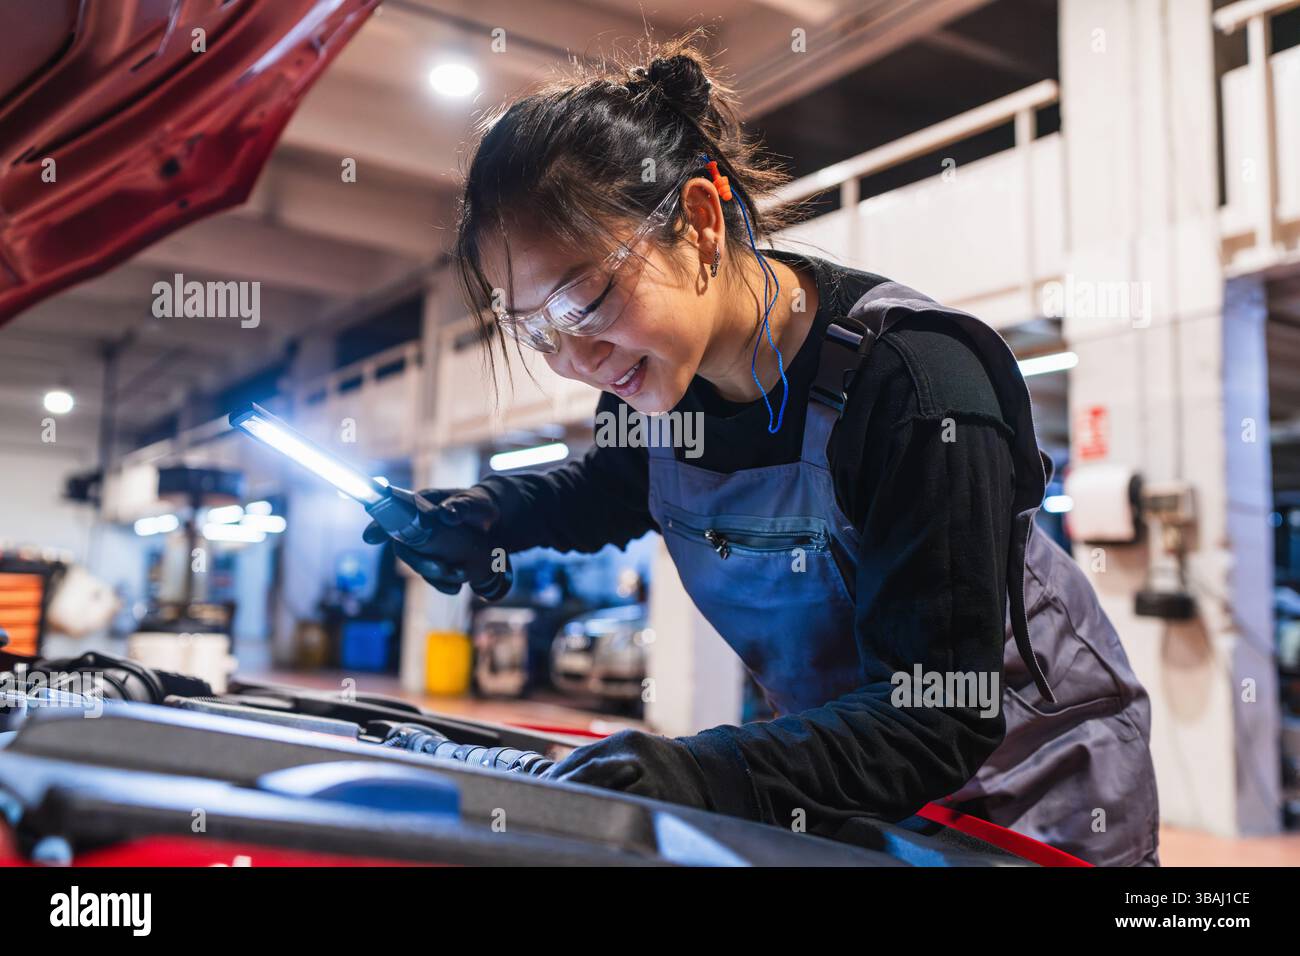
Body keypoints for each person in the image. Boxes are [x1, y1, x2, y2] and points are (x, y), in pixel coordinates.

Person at [364, 34, 1159, 866]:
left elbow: (939, 712)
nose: (573, 359)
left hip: (1030, 800)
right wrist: (484, 515)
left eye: (583, 298)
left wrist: (703, 772)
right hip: (851, 782)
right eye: (535, 330)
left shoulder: (916, 387)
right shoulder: (653, 378)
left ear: (703, 222)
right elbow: (612, 486)